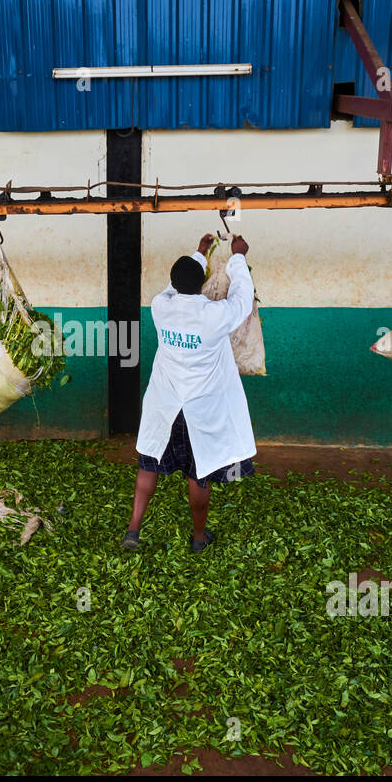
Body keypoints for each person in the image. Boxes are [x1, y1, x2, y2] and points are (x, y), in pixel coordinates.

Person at [122, 233, 257, 553]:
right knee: (199, 475)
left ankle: (133, 531)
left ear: (173, 282)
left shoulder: (160, 307)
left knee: (148, 464)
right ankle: (198, 538)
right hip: (199, 411)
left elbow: (175, 287)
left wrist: (200, 251)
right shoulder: (215, 315)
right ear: (202, 285)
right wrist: (237, 257)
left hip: (164, 405)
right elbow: (242, 297)